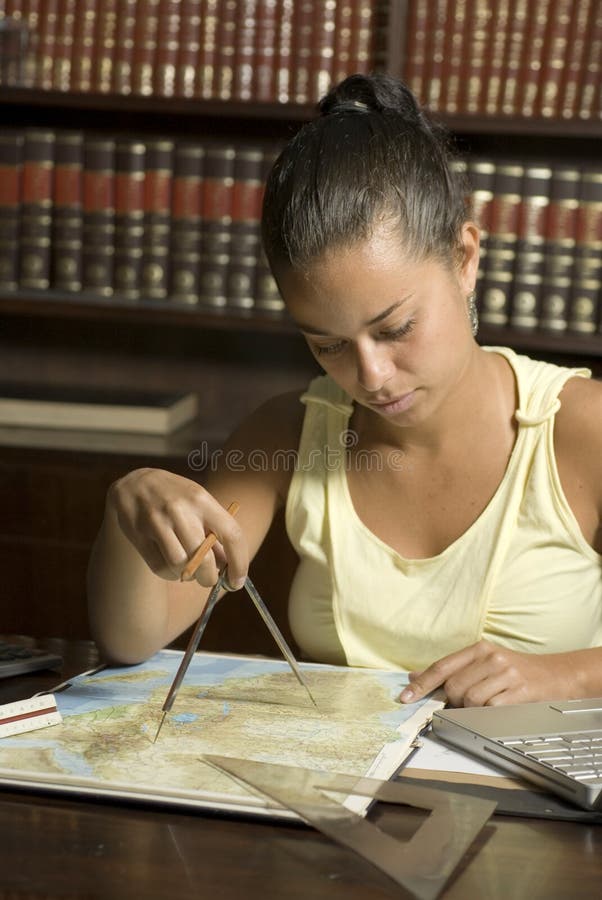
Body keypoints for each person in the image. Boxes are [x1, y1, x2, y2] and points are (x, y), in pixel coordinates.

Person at [87, 73, 602, 708]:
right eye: (327, 344)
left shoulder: (580, 429)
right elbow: (130, 639)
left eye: (396, 328)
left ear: (465, 258)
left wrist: (570, 675)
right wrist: (127, 508)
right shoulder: (288, 436)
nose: (371, 376)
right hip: (338, 796)